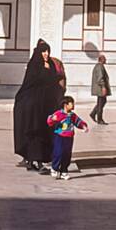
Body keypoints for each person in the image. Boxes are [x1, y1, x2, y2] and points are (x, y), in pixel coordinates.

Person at [13, 39, 65, 172]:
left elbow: (53, 82)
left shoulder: (51, 65)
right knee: (34, 131)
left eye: (48, 51)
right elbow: (33, 82)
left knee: (43, 131)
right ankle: (34, 161)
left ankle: (36, 160)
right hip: (33, 106)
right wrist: (45, 71)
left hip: (45, 105)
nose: (46, 54)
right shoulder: (34, 65)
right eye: (43, 51)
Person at [46, 96, 89, 180]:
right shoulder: (58, 113)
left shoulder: (72, 115)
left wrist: (83, 126)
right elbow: (49, 121)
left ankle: (64, 171)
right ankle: (54, 168)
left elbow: (78, 122)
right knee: (58, 153)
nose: (73, 105)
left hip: (69, 137)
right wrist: (52, 119)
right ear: (66, 105)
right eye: (71, 103)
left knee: (67, 154)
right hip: (59, 136)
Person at [90, 54, 111, 124]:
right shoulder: (99, 67)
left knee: (102, 102)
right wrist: (103, 87)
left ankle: (93, 113)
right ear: (101, 59)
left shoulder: (99, 66)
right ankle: (99, 119)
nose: (106, 60)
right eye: (104, 59)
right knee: (101, 103)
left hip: (100, 88)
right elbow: (100, 78)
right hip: (100, 89)